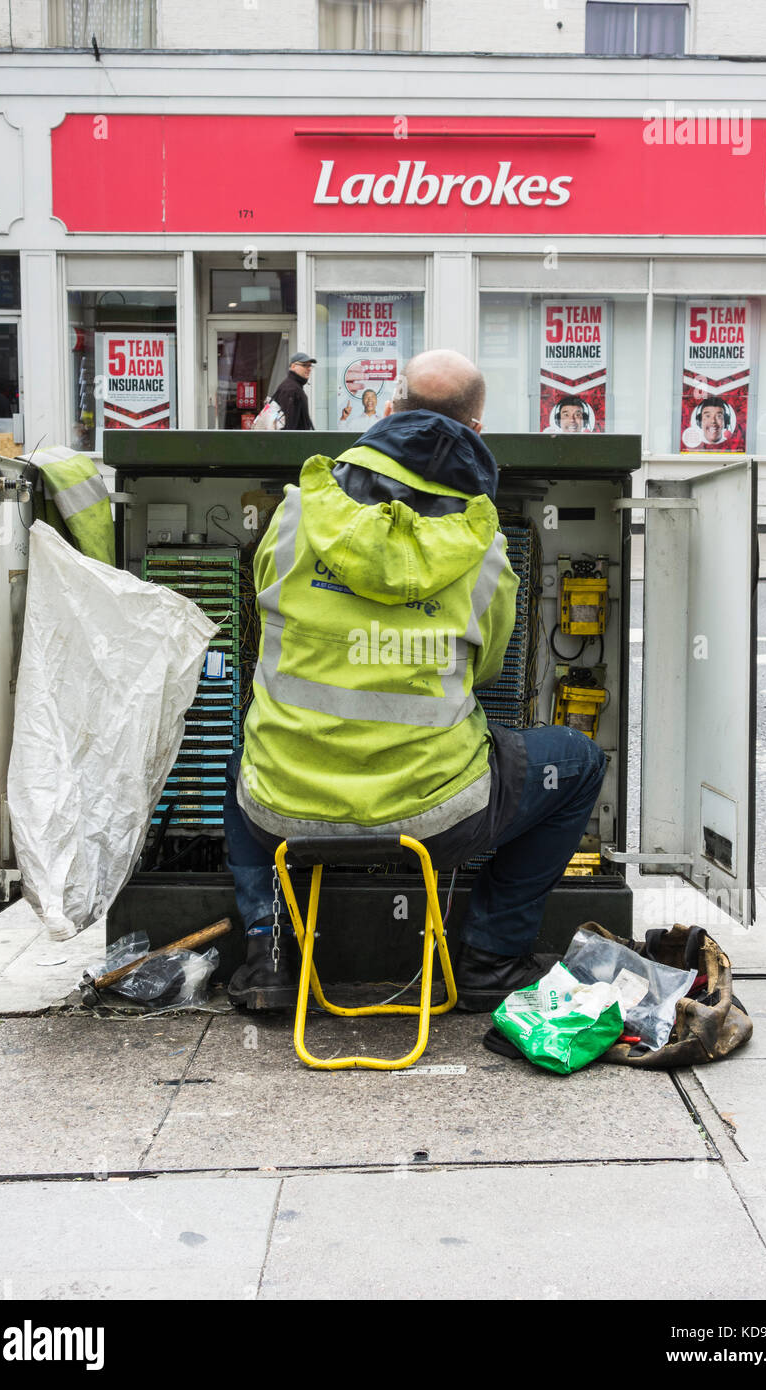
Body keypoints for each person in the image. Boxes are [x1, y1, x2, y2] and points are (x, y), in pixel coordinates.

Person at [223, 348, 606, 1012]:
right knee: (576, 763)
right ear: (476, 434)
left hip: (284, 813)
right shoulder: (484, 549)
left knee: (244, 760)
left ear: (392, 413)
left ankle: (268, 960)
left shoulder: (291, 516)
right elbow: (485, 670)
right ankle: (488, 958)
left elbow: (263, 620)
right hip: (436, 820)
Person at [270, 352, 316, 430]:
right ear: (293, 366)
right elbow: (289, 427)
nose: (309, 369)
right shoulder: (291, 390)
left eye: (310, 365)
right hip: (294, 441)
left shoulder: (295, 387)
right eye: (304, 365)